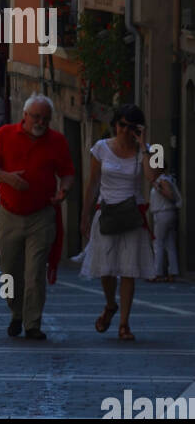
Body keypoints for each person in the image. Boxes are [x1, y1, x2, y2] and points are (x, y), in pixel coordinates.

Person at [0, 94, 75, 340]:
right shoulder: (5, 134)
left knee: (35, 273)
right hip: (9, 214)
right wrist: (8, 178)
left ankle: (33, 323)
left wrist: (63, 191)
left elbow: (67, 173)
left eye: (45, 118)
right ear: (24, 115)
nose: (41, 122)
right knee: (9, 272)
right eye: (36, 117)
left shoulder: (57, 141)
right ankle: (16, 313)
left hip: (41, 216)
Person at [80, 105, 158, 340]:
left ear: (138, 129)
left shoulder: (149, 151)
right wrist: (84, 215)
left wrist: (143, 146)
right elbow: (93, 183)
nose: (124, 130)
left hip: (132, 216)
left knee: (128, 271)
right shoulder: (101, 148)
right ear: (115, 124)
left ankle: (124, 324)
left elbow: (152, 177)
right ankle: (110, 304)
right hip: (106, 213)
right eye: (121, 124)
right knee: (106, 270)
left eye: (130, 126)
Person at [147, 171, 182, 283]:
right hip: (167, 212)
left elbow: (170, 195)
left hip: (162, 213)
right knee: (170, 243)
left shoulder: (162, 180)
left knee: (158, 243)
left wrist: (157, 188)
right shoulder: (167, 179)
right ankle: (173, 272)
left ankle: (157, 273)